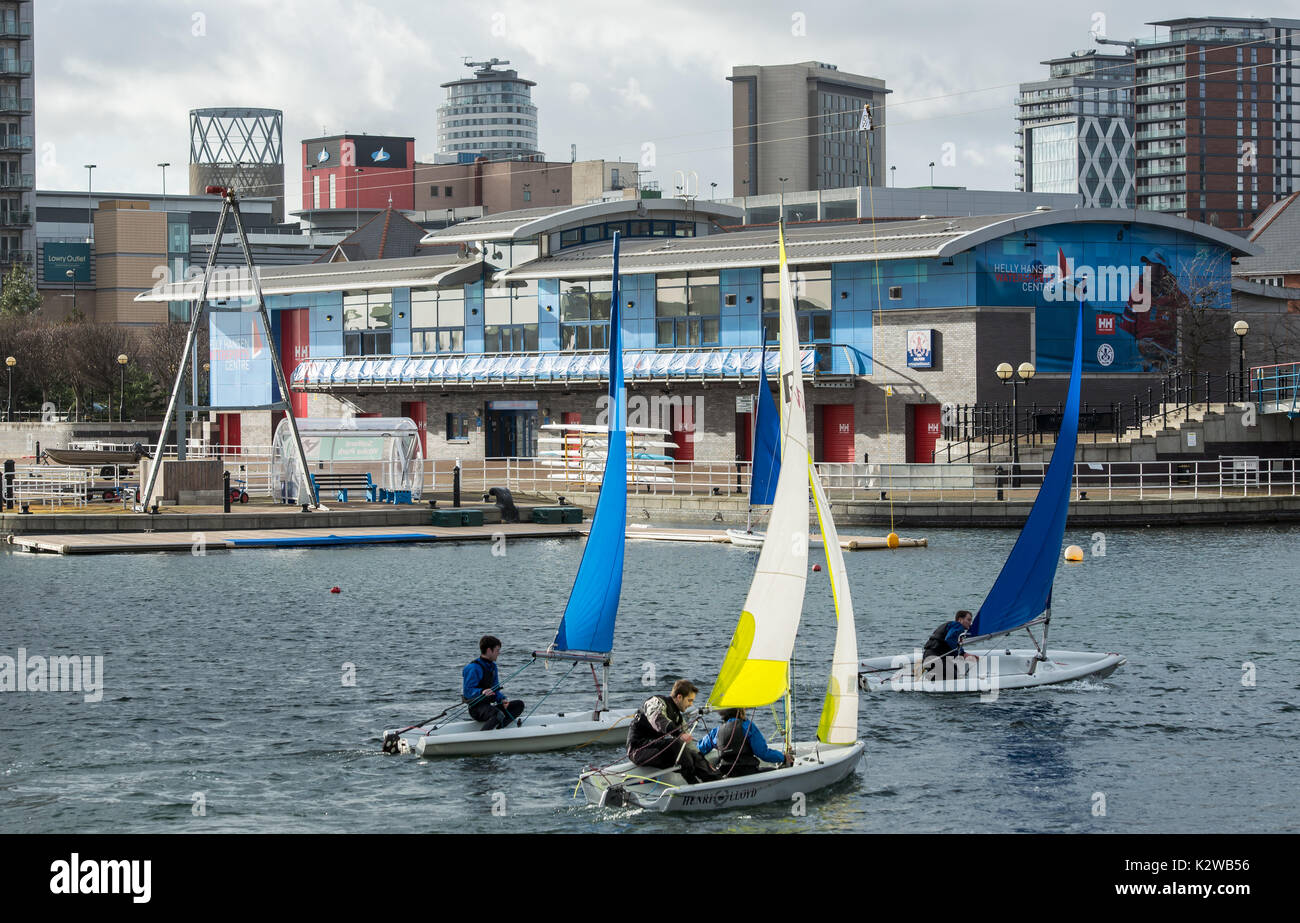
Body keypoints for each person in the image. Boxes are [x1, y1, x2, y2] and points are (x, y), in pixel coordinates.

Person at [625, 680, 721, 785]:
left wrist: (704, 762)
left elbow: (690, 745)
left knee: (692, 754)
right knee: (676, 744)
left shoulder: (678, 717)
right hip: (638, 750)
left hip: (655, 749)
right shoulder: (655, 702)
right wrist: (679, 734)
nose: (691, 704)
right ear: (679, 697)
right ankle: (693, 785)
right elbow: (657, 719)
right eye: (689, 700)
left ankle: (715, 781)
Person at [698, 708, 792, 777]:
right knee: (776, 770)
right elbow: (763, 753)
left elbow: (699, 749)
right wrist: (783, 757)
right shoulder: (748, 727)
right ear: (741, 710)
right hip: (748, 772)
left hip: (726, 773)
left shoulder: (716, 731)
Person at [462, 635, 524, 731]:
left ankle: (500, 729)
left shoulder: (493, 667)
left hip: (488, 707)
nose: (499, 653)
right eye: (497, 650)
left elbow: (496, 689)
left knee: (519, 705)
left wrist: (502, 699)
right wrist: (482, 691)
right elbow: (467, 692)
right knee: (497, 714)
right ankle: (482, 737)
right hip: (476, 709)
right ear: (489, 650)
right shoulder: (473, 668)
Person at [921, 610, 979, 679]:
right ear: (960, 620)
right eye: (968, 620)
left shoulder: (950, 626)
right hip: (934, 658)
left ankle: (931, 678)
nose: (970, 623)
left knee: (956, 671)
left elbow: (950, 643)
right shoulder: (958, 626)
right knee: (955, 677)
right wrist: (963, 654)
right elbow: (949, 639)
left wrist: (964, 654)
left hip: (929, 657)